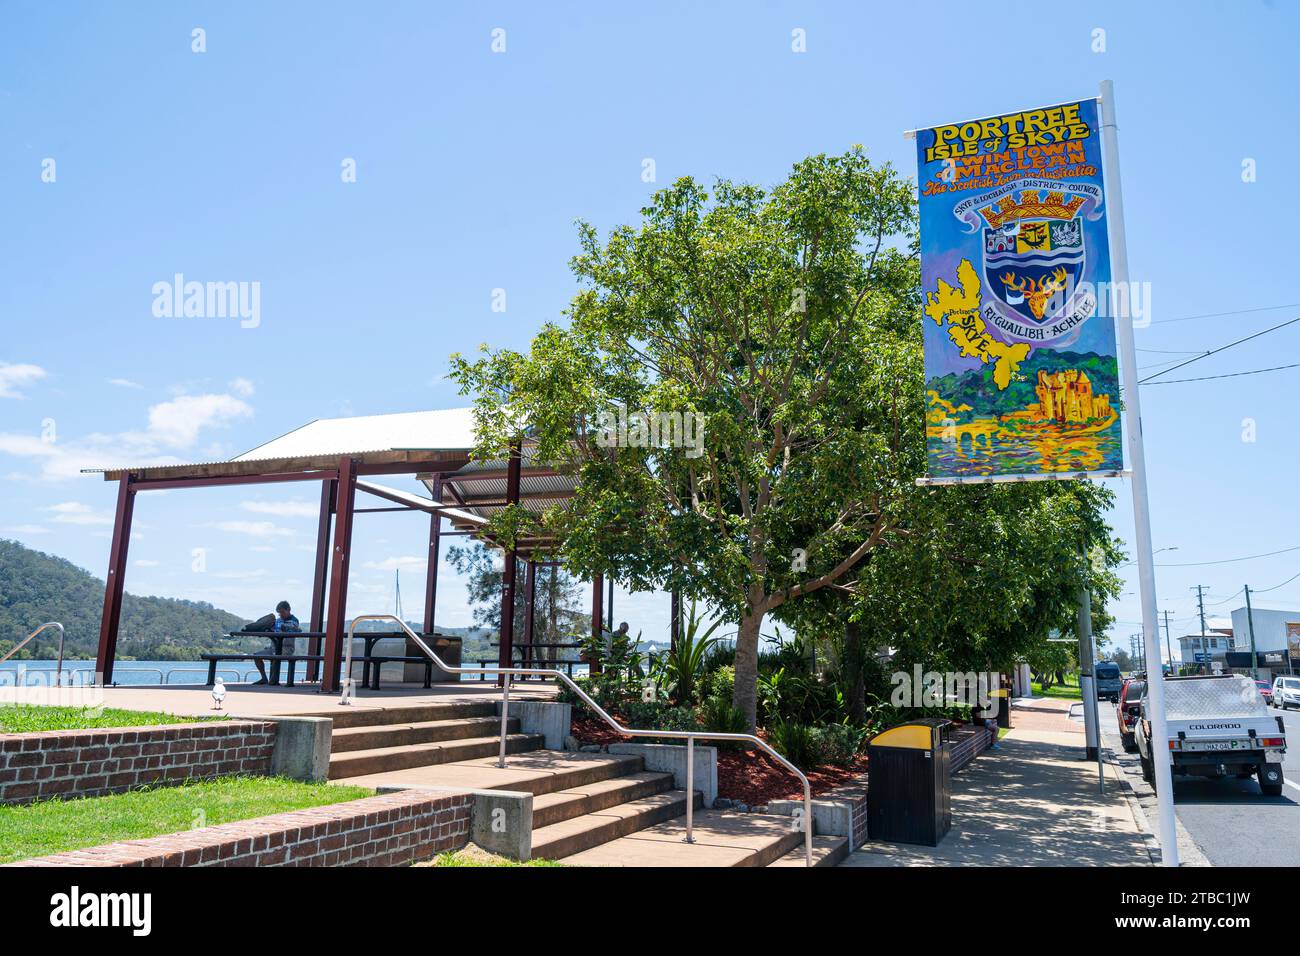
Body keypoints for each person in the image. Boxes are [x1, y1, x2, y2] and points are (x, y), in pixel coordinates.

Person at [243, 601, 301, 685]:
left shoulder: (294, 621)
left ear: (289, 610)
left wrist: (283, 628)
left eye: (282, 612)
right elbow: (272, 628)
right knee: (256, 656)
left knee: (275, 657)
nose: (281, 615)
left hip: (287, 649)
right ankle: (264, 678)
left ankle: (273, 680)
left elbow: (292, 628)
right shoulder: (277, 621)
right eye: (279, 613)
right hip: (274, 647)